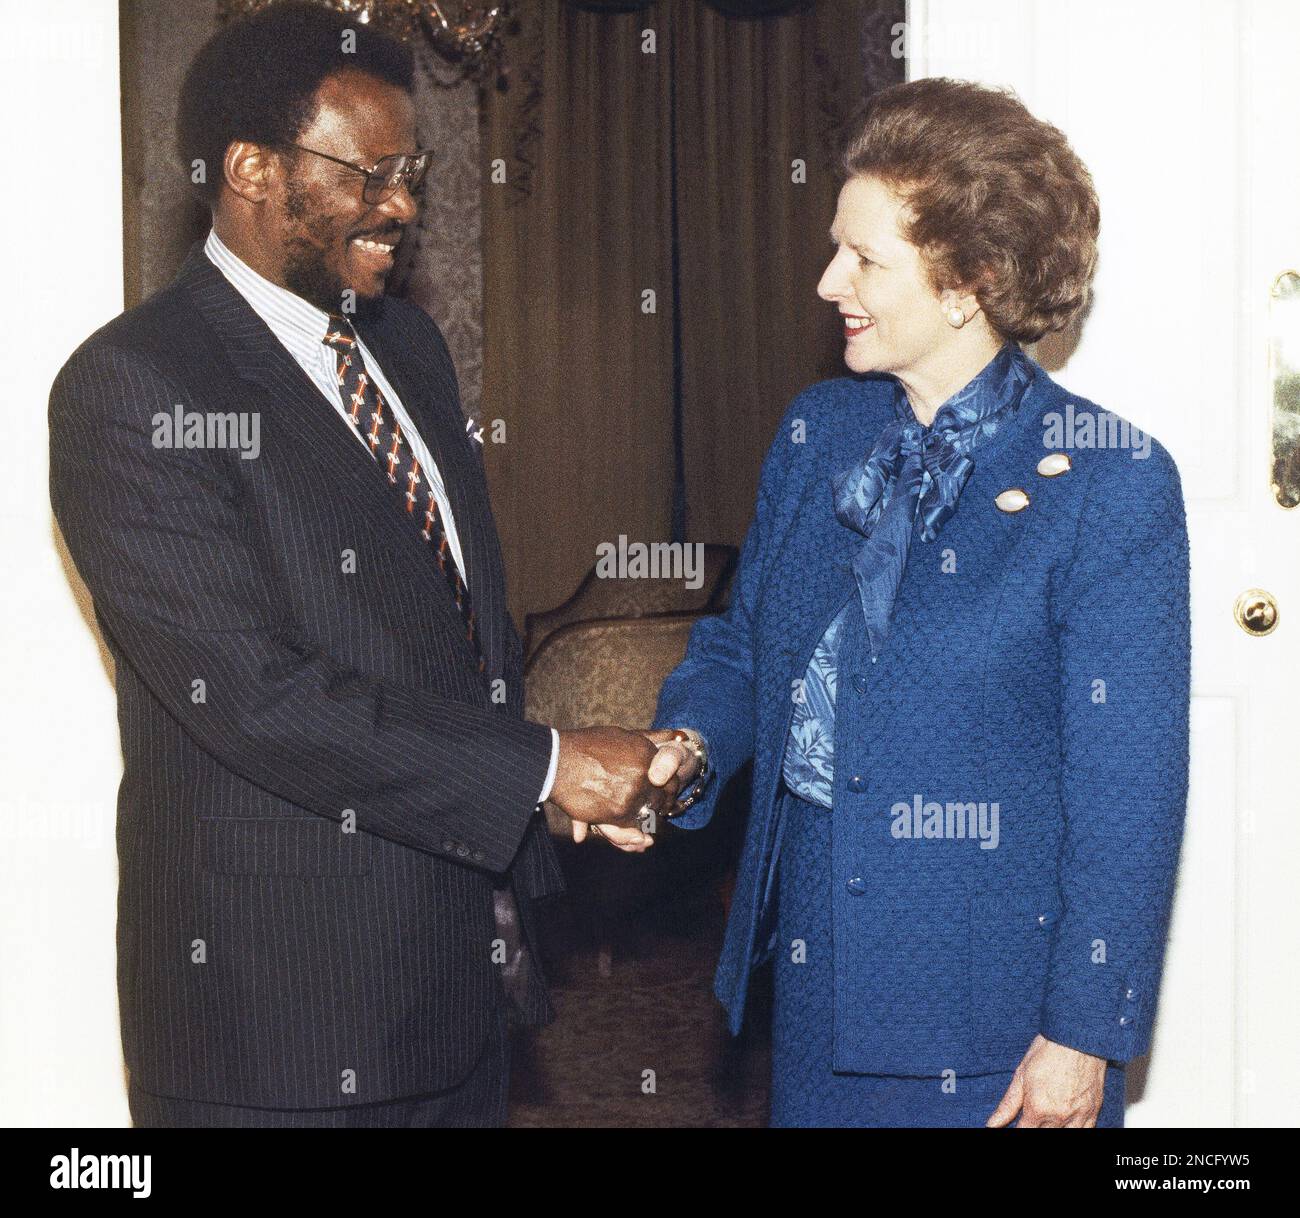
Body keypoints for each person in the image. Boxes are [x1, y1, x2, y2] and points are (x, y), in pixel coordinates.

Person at [49, 2, 671, 1128]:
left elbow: (440, 634)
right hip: (277, 1020)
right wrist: (539, 769)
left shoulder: (405, 345)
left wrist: (544, 807)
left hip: (459, 984)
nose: (404, 205)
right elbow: (256, 698)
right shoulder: (136, 387)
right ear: (249, 168)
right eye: (370, 173)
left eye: (413, 170)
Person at [620, 77, 1191, 1127]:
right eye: (837, 244)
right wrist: (687, 745)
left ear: (969, 281)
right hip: (820, 973)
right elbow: (746, 647)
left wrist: (1080, 1035)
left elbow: (1130, 797)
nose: (827, 278)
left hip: (992, 1012)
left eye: (865, 259)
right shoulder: (818, 433)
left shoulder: (1112, 481)